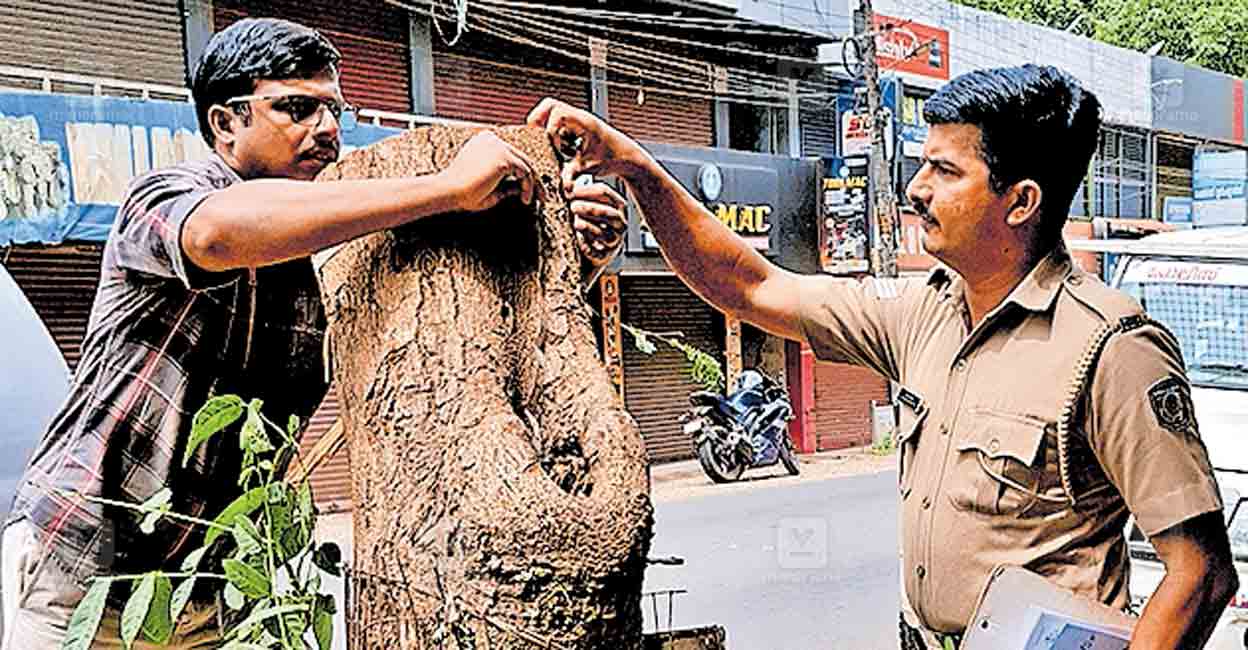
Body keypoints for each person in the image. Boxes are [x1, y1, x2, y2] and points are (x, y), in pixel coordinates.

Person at [527, 64, 1237, 649]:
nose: (917, 189)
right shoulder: (922, 312)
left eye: (944, 171)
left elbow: (1199, 574)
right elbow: (750, 284)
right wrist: (635, 167)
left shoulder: (1112, 348)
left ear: (1019, 202)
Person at [2, 18, 627, 649]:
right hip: (81, 564)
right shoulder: (167, 192)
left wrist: (571, 255)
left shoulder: (343, 245)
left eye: (334, 110)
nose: (326, 129)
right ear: (226, 123)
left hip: (215, 583)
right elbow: (214, 235)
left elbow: (463, 316)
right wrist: (446, 188)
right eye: (296, 108)